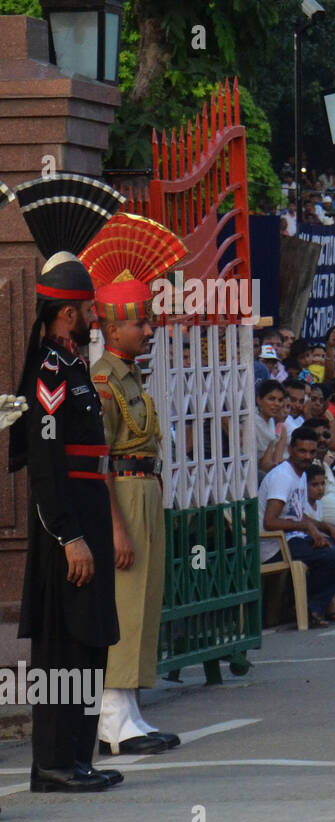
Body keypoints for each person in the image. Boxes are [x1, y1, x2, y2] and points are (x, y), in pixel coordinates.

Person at [11, 180, 123, 792]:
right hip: (66, 527)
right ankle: (53, 762)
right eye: (88, 306)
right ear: (67, 311)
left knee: (89, 639)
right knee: (62, 648)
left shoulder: (75, 365)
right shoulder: (49, 373)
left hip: (87, 513)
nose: (95, 313)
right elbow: (48, 465)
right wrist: (71, 537)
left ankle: (77, 756)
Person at [88, 225, 184, 756]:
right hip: (121, 494)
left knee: (144, 602)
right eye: (141, 321)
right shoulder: (103, 382)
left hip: (143, 489)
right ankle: (110, 715)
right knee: (123, 603)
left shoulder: (128, 377)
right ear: (116, 325)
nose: (149, 329)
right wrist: (116, 527)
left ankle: (129, 709)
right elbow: (98, 460)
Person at [259, 428, 335, 628]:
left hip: (294, 538)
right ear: (291, 449)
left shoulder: (301, 475)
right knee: (334, 556)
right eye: (302, 451)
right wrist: (307, 527)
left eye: (311, 452)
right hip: (275, 545)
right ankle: (308, 606)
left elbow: (297, 513)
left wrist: (326, 527)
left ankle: (313, 606)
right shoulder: (283, 477)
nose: (307, 456)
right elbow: (270, 521)